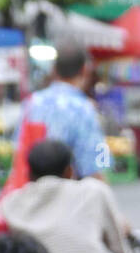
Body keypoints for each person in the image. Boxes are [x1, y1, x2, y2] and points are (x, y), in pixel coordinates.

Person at [1, 139, 126, 253]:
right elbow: (118, 246)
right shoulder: (94, 191)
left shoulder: (10, 204)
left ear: (28, 174)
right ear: (69, 171)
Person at [12, 43, 108, 184]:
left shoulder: (32, 102)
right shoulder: (84, 108)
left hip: (30, 194)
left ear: (54, 70)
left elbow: (18, 150)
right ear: (85, 70)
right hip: (68, 197)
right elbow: (95, 165)